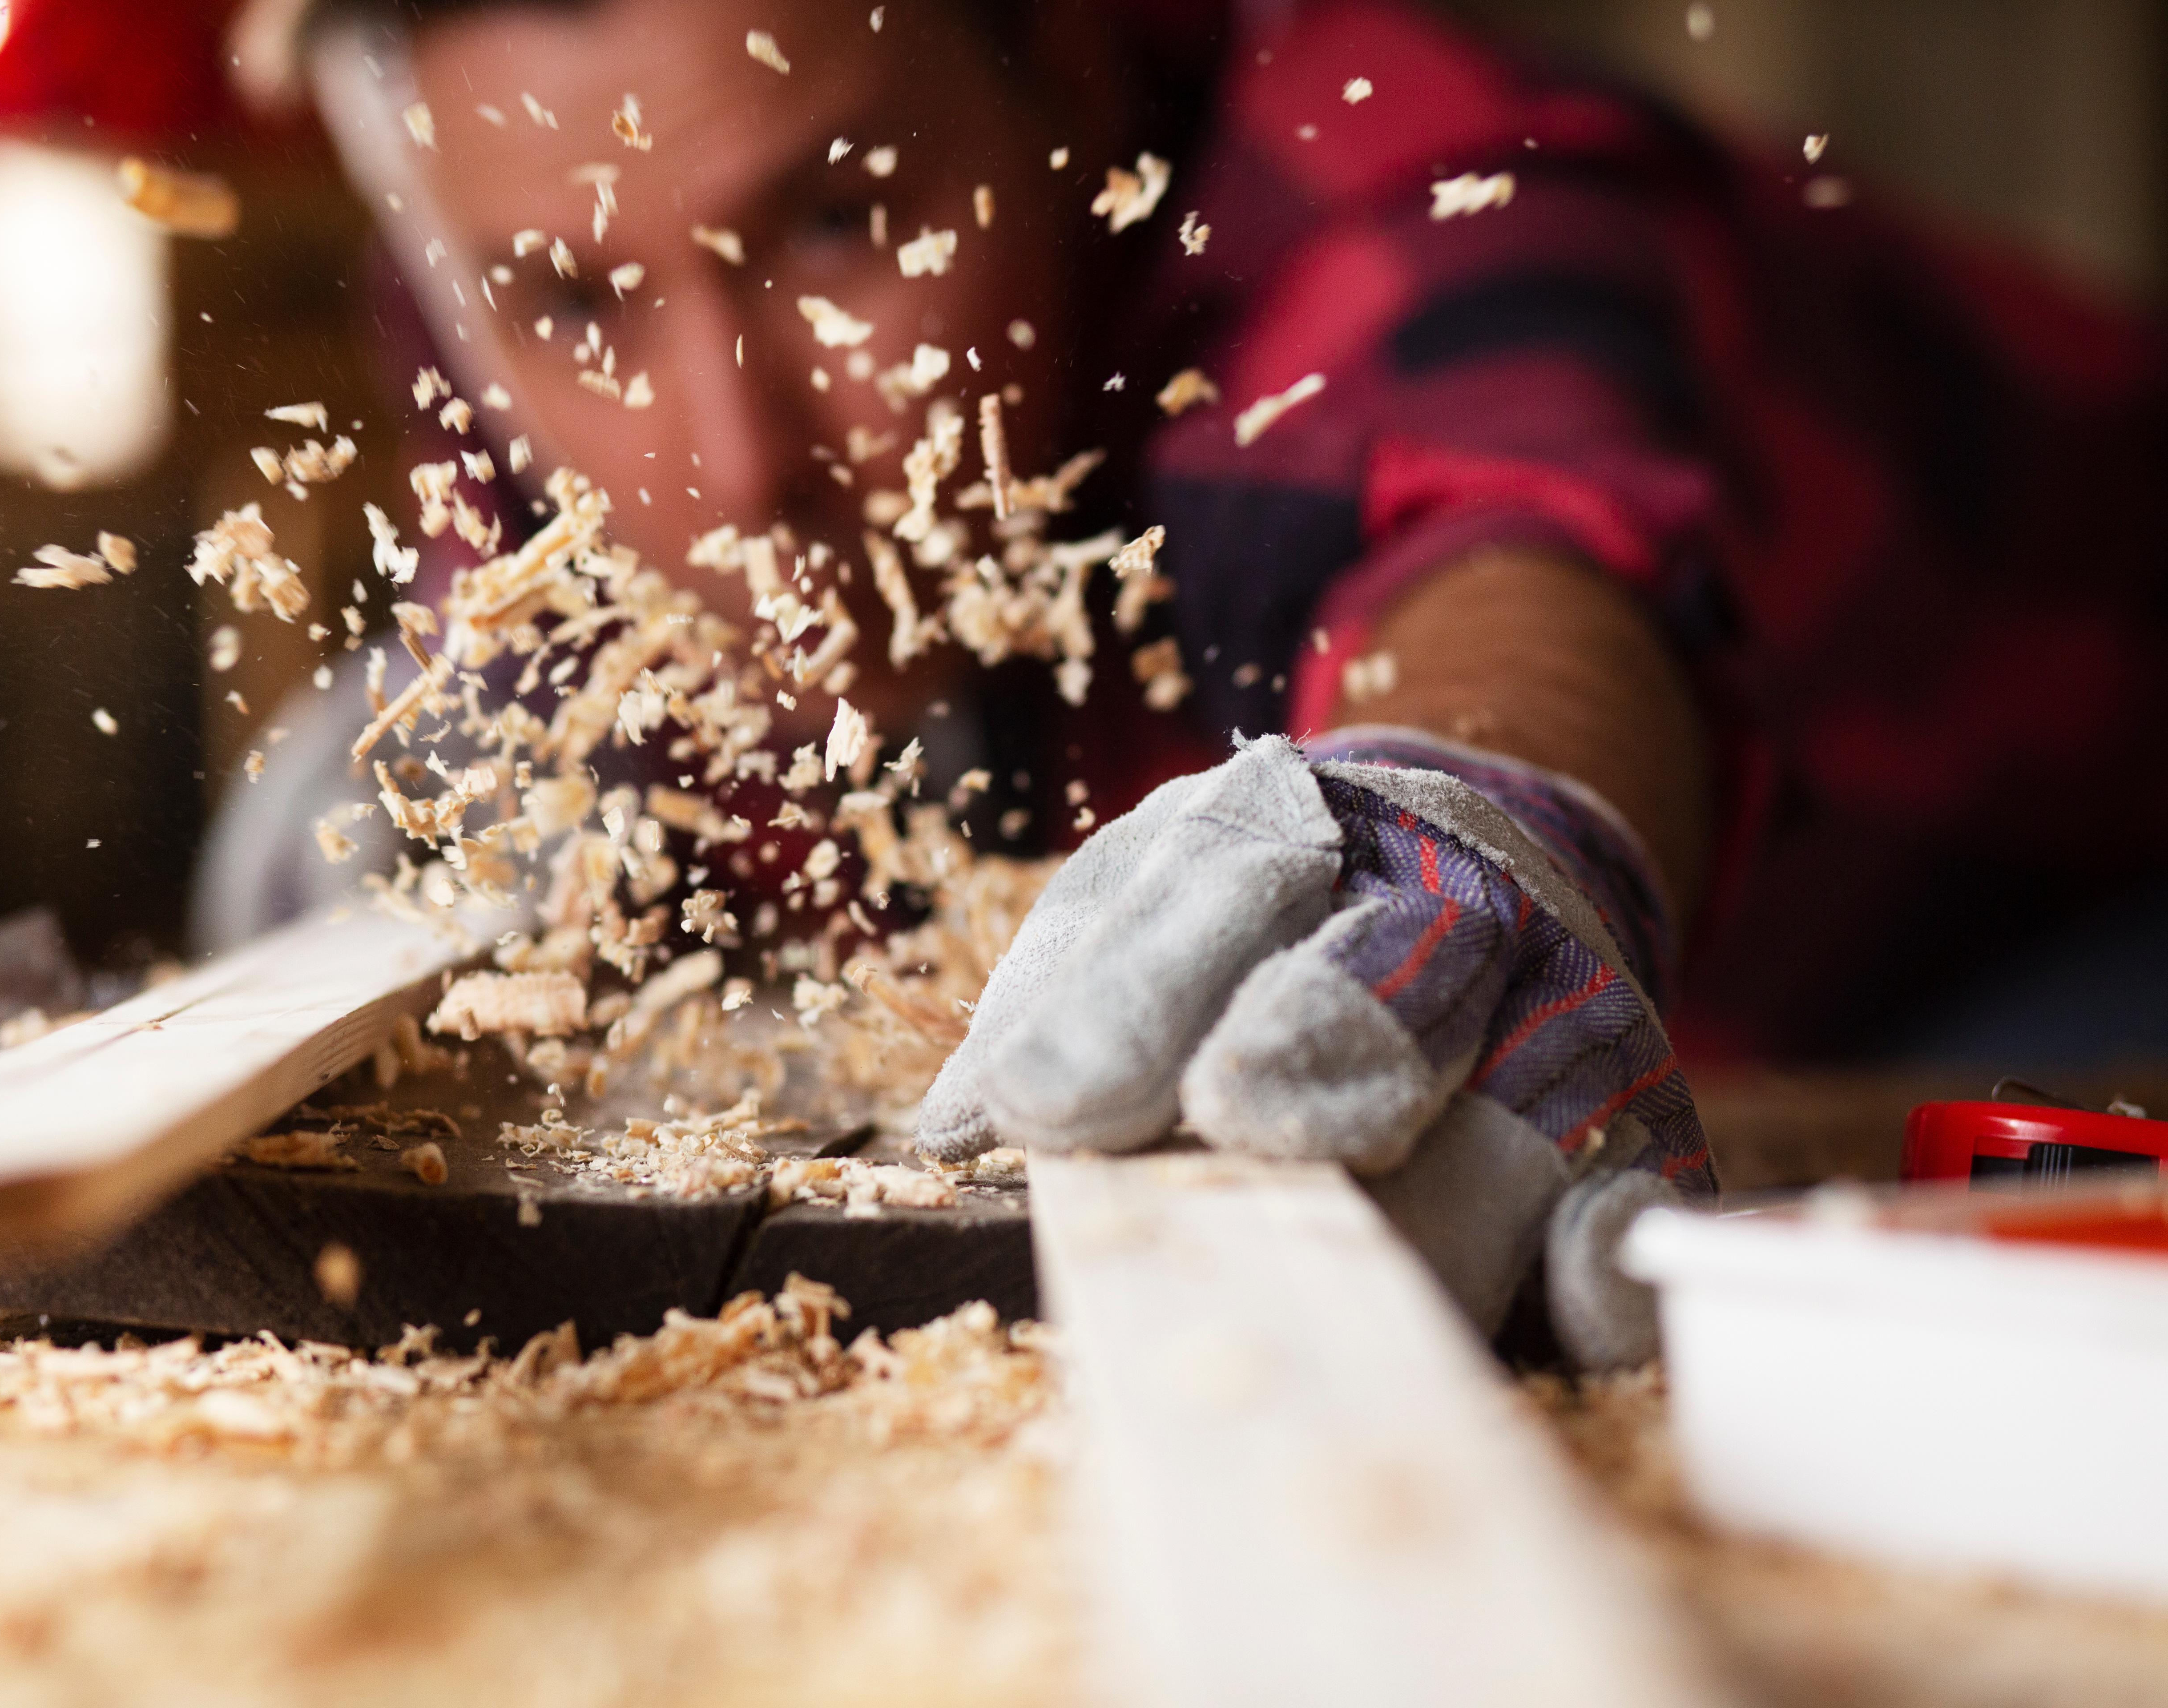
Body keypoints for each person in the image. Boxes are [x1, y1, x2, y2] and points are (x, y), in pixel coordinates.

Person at [200, 0, 2168, 1361]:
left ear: (1056, 53)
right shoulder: (534, 233)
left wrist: (1478, 821)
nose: (735, 460)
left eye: (842, 219)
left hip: (2040, 888)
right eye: (568, 305)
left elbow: (1530, 542)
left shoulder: (1415, 173)